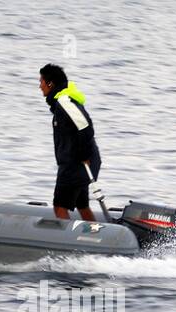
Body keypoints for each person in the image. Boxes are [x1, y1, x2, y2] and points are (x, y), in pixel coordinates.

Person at [38, 63, 102, 221]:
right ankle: (95, 236)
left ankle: (67, 243)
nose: (40, 86)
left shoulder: (64, 103)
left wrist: (84, 155)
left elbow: (85, 126)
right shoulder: (63, 103)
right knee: (82, 205)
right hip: (80, 164)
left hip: (77, 164)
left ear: (50, 83)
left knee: (60, 206)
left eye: (41, 82)